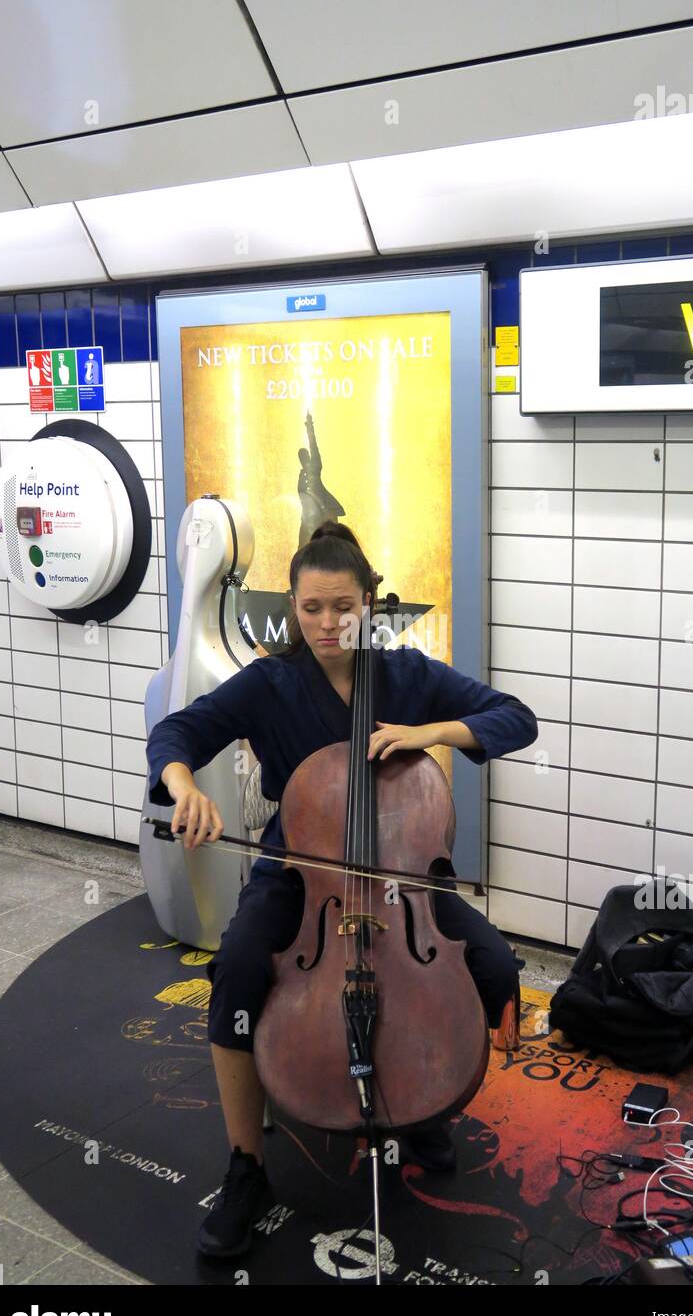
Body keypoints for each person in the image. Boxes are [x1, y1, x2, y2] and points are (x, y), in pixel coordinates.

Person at [145, 521, 539, 1258]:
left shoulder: (409, 676)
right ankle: (245, 1166)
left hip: (400, 877)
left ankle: (419, 1104)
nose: (329, 624)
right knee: (235, 972)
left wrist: (435, 734)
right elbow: (179, 733)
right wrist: (180, 785)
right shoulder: (270, 684)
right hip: (299, 876)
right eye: (313, 608)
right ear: (292, 607)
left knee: (492, 966)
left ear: (369, 601)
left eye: (344, 607)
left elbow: (515, 719)